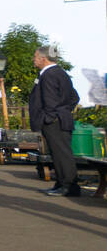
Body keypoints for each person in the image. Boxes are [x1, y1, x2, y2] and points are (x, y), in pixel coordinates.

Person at [28, 46, 81, 197]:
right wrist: (64, 111)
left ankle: (68, 186)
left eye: (35, 56)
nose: (34, 59)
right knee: (59, 153)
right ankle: (61, 183)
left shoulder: (49, 75)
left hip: (54, 121)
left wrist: (50, 117)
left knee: (61, 154)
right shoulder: (60, 73)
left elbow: (50, 101)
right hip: (60, 119)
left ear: (43, 58)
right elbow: (74, 98)